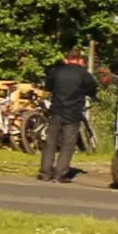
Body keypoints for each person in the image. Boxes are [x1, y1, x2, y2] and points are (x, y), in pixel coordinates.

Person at [39, 46, 97, 183]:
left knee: (50, 142)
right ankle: (60, 173)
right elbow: (92, 90)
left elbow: (48, 87)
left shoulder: (56, 72)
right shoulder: (83, 74)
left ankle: (45, 172)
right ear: (80, 60)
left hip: (56, 110)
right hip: (73, 113)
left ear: (66, 59)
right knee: (68, 144)